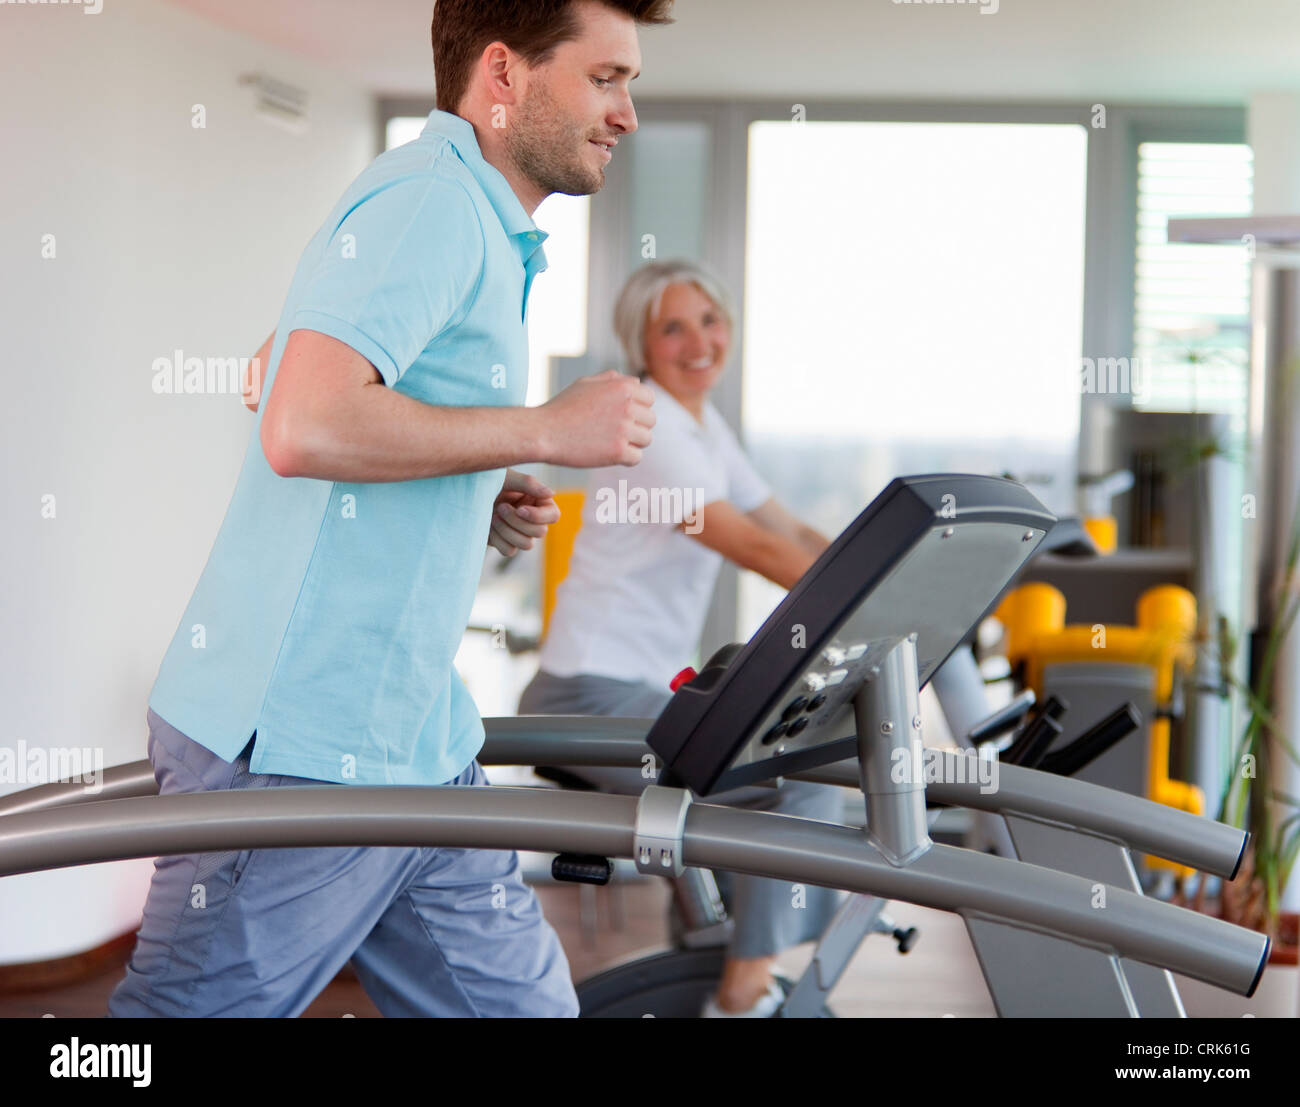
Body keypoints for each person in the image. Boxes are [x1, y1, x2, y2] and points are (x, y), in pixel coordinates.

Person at [108, 0, 676, 1019]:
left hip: (414, 741)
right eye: (605, 78)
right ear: (503, 76)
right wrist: (544, 428)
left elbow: (293, 384)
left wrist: (479, 479)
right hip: (303, 748)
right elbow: (302, 424)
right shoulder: (432, 205)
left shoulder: (482, 228)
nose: (626, 113)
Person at [518, 259, 844, 1018]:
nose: (699, 340)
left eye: (709, 320)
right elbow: (755, 548)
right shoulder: (651, 422)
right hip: (585, 696)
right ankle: (739, 993)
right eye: (674, 326)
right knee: (784, 780)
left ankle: (722, 972)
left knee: (766, 780)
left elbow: (787, 527)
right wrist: (863, 596)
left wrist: (883, 570)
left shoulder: (700, 422)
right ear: (643, 342)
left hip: (640, 687)